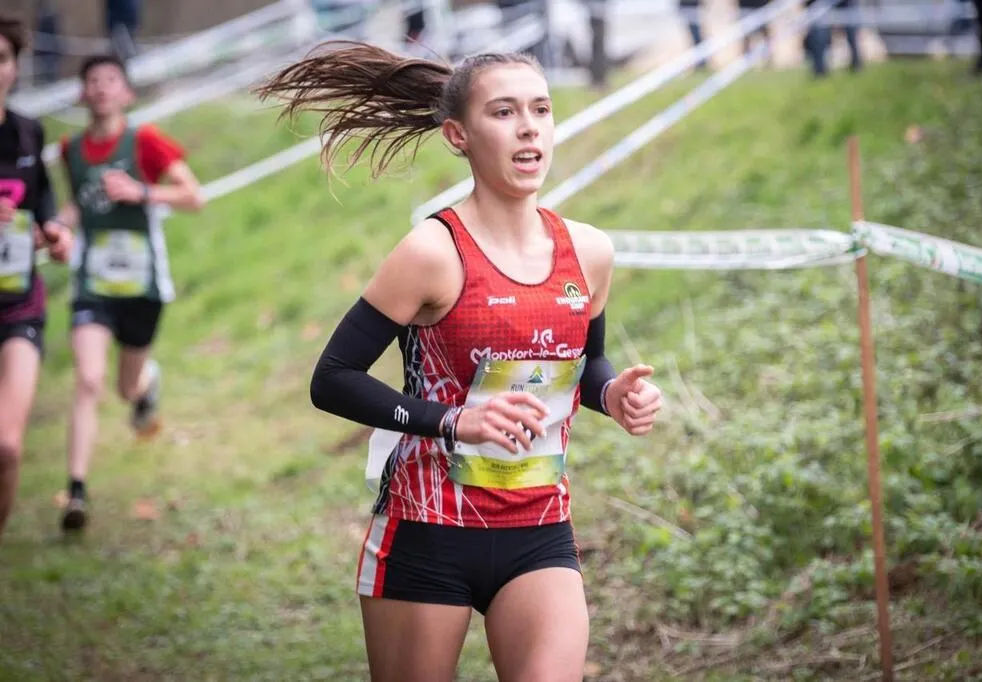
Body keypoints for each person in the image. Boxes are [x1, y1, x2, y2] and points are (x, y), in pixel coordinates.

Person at [257, 41, 663, 681]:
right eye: (503, 112)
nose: (529, 127)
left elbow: (588, 362)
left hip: (540, 528)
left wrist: (612, 394)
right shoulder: (431, 252)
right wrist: (453, 422)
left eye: (541, 109)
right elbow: (332, 380)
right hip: (426, 531)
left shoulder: (588, 252)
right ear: (458, 135)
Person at [51, 53, 204, 532]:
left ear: (126, 93)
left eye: (109, 80)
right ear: (81, 93)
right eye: (91, 80)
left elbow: (193, 196)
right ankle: (76, 491)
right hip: (92, 284)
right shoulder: (68, 150)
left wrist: (143, 193)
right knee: (88, 379)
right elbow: (77, 204)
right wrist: (54, 228)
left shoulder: (146, 141)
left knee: (124, 386)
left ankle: (146, 384)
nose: (100, 88)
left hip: (142, 286)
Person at [0, 13, 74, 542]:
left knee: (6, 445)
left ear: (14, 67)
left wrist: (54, 232)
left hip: (17, 301)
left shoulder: (28, 131)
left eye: (0, 59)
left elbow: (43, 201)